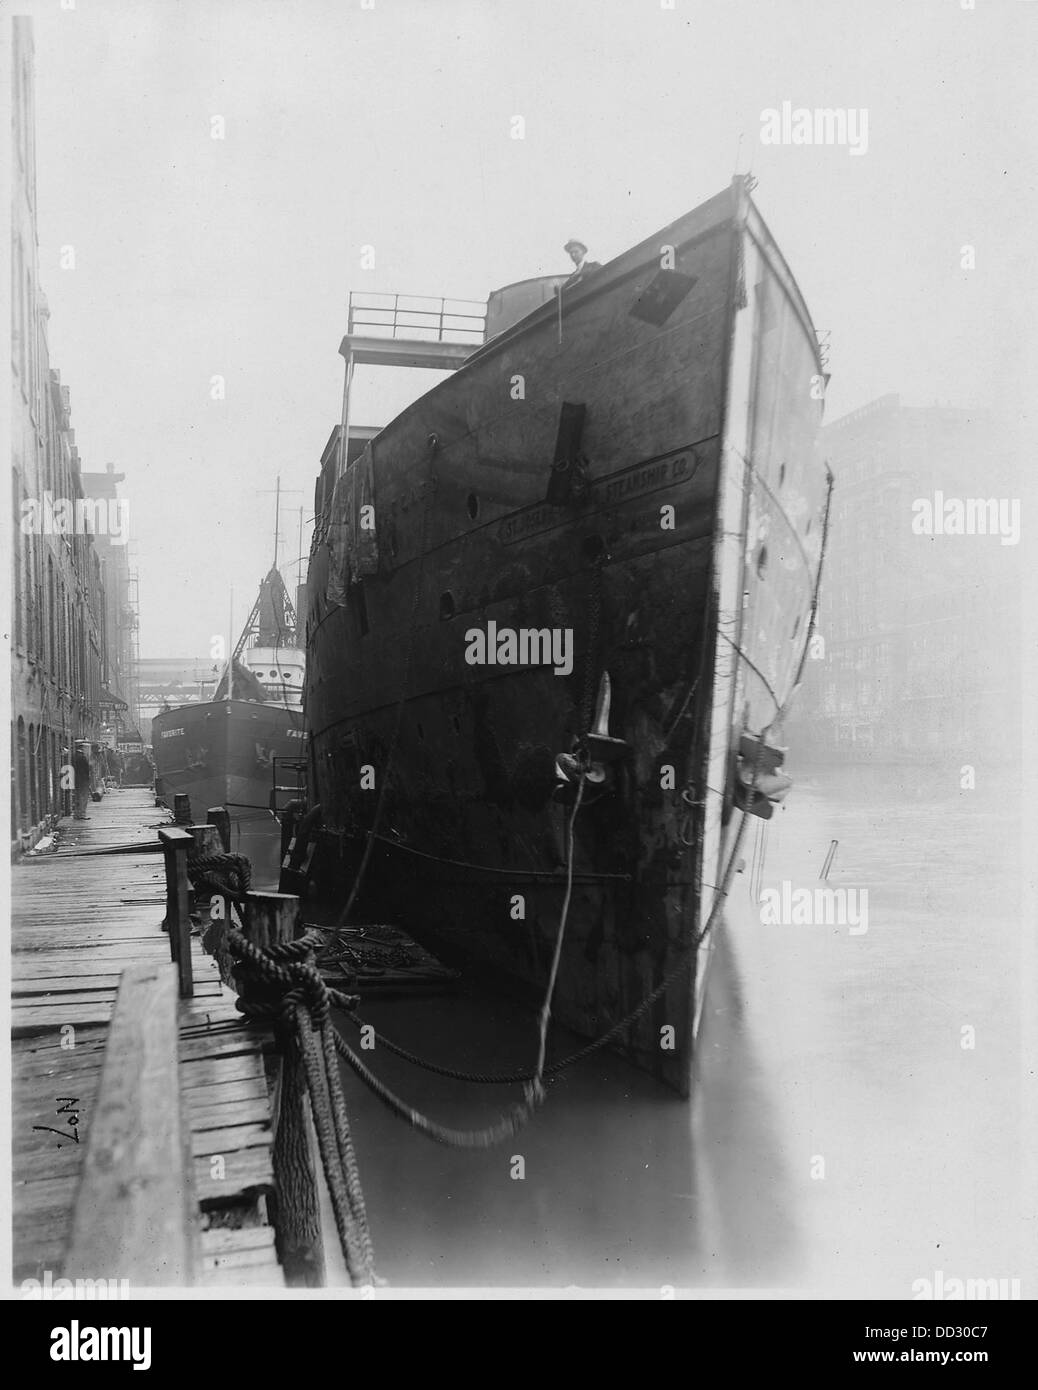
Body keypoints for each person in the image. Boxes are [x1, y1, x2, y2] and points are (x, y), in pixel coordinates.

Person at [72, 743, 92, 820]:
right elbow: (86, 770)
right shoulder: (83, 757)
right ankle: (82, 814)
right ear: (82, 748)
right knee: (83, 797)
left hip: (76, 780)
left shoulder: (74, 756)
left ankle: (76, 813)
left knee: (77, 797)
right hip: (83, 780)